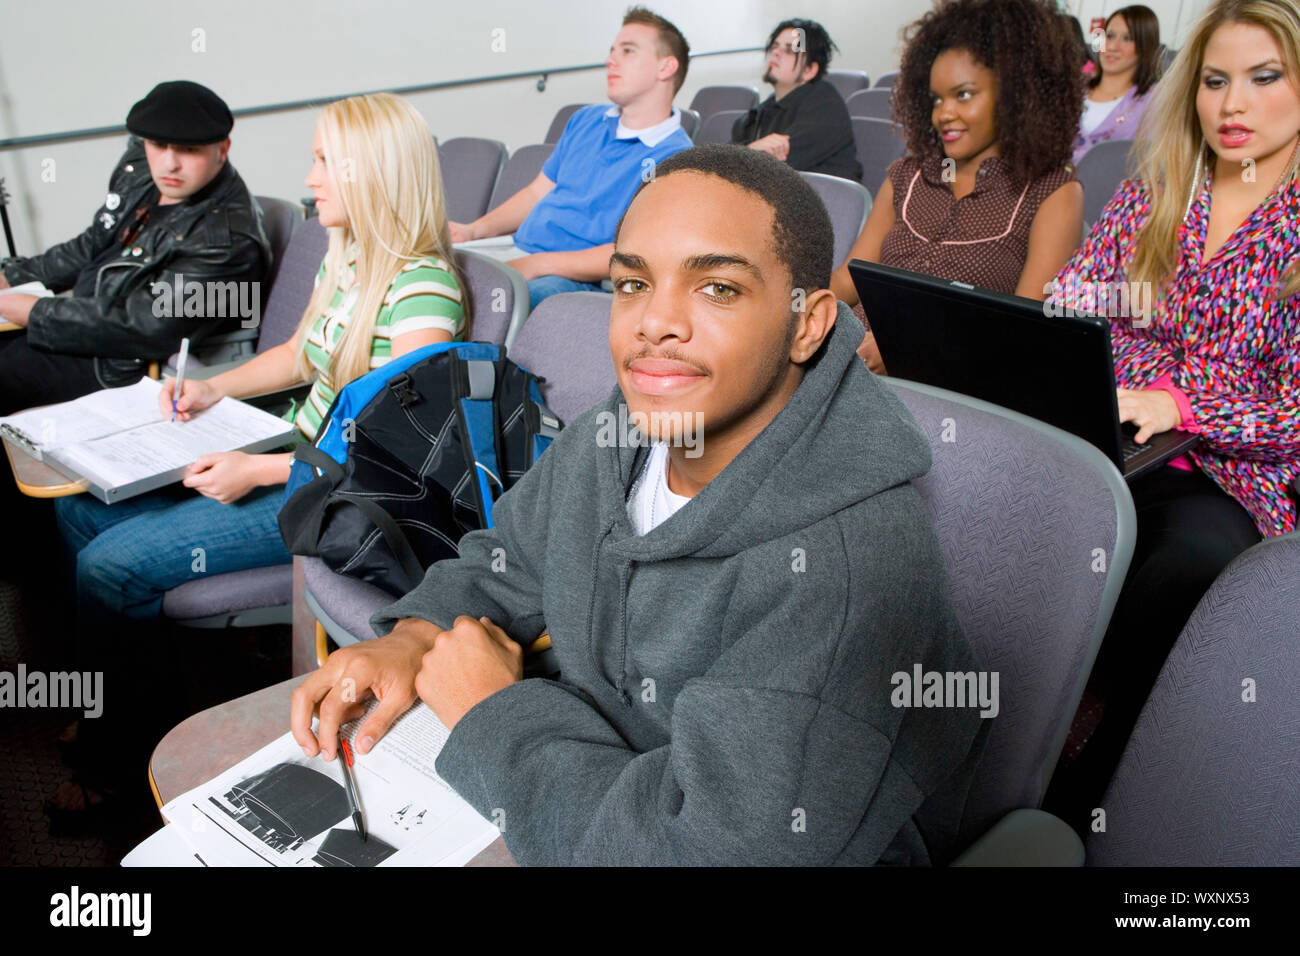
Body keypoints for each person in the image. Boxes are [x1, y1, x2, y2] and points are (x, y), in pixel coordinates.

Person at [290, 144, 989, 867]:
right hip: (577, 797)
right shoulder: (621, 430)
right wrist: (417, 634)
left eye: (717, 288)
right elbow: (510, 562)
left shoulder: (844, 571)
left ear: (808, 324)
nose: (655, 323)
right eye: (632, 284)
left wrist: (492, 714)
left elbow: (703, 855)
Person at [45, 92, 467, 832]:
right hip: (297, 463)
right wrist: (211, 388)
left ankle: (117, 769)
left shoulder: (421, 288)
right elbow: (295, 356)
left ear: (373, 174)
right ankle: (145, 685)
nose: (311, 179)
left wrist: (262, 472)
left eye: (325, 162)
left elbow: (396, 450)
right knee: (80, 507)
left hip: (329, 496)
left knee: (109, 568)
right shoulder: (353, 257)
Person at [1042, 0, 1300, 830]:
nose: (1234, 105)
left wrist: (1181, 401)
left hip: (1237, 473)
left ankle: (1096, 790)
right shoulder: (1162, 189)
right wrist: (1099, 366)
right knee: (1010, 515)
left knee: (1179, 566)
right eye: (1216, 81)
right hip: (1115, 434)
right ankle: (991, 739)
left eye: (1265, 79)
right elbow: (1073, 297)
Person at [828, 0, 1085, 373]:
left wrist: (907, 345)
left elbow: (1025, 333)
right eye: (936, 99)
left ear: (1016, 93)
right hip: (849, 357)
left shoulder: (1053, 193)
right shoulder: (906, 175)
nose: (943, 113)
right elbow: (847, 281)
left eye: (963, 94)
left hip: (949, 386)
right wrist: (790, 308)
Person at [0, 81, 270, 415]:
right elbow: (92, 244)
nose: (169, 164)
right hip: (86, 323)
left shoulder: (228, 241)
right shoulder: (142, 169)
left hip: (122, 360)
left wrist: (36, 312)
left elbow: (149, 325)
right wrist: (11, 276)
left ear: (222, 149)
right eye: (158, 144)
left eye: (188, 150)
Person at [449, 7, 693, 310]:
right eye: (612, 50)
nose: (611, 60)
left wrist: (538, 264)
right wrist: (473, 231)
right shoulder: (585, 120)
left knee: (483, 301)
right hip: (520, 250)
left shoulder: (677, 158)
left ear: (666, 67)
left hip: (577, 279)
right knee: (422, 270)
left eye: (628, 51)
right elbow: (537, 192)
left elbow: (633, 251)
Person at [730, 18, 862, 181]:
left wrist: (747, 152)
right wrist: (750, 150)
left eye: (789, 50)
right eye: (775, 46)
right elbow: (728, 159)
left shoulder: (825, 103)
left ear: (809, 70)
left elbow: (776, 162)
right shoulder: (762, 110)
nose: (776, 52)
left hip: (822, 201)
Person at [1072, 6, 1162, 164]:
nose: (1112, 46)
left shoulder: (1153, 103)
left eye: (1127, 38)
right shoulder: (1072, 87)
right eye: (1110, 35)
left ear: (1144, 46)